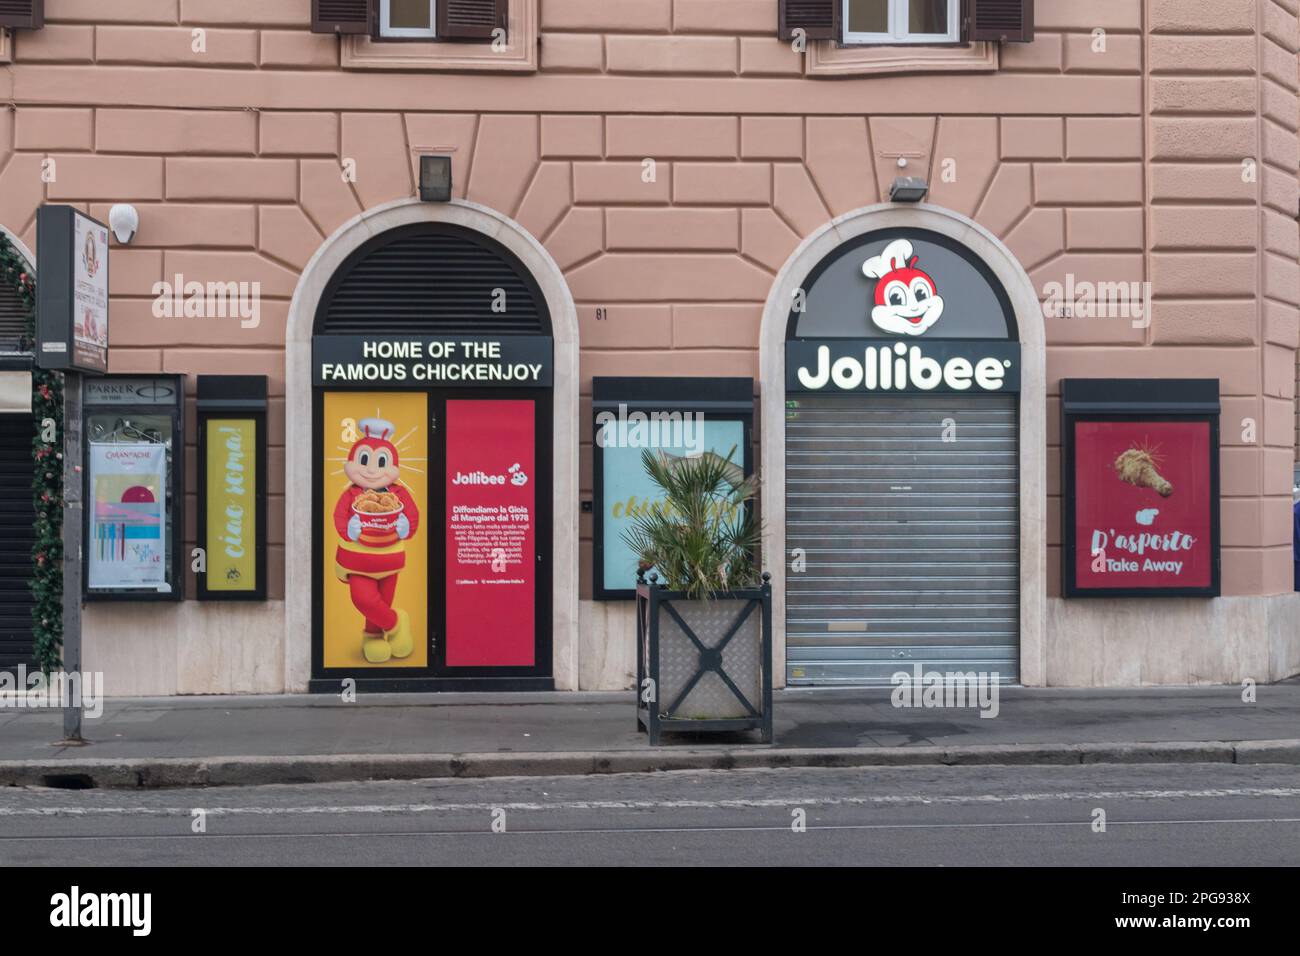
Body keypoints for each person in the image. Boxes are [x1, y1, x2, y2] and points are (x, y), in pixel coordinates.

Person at [332, 418, 419, 663]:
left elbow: (412, 515)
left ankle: (373, 637)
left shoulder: (398, 494)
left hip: (390, 559)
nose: (371, 470)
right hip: (358, 560)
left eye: (380, 462)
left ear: (391, 466)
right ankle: (396, 623)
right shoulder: (351, 494)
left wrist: (405, 527)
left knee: (383, 600)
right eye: (363, 460)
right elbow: (339, 516)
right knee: (363, 599)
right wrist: (349, 529)